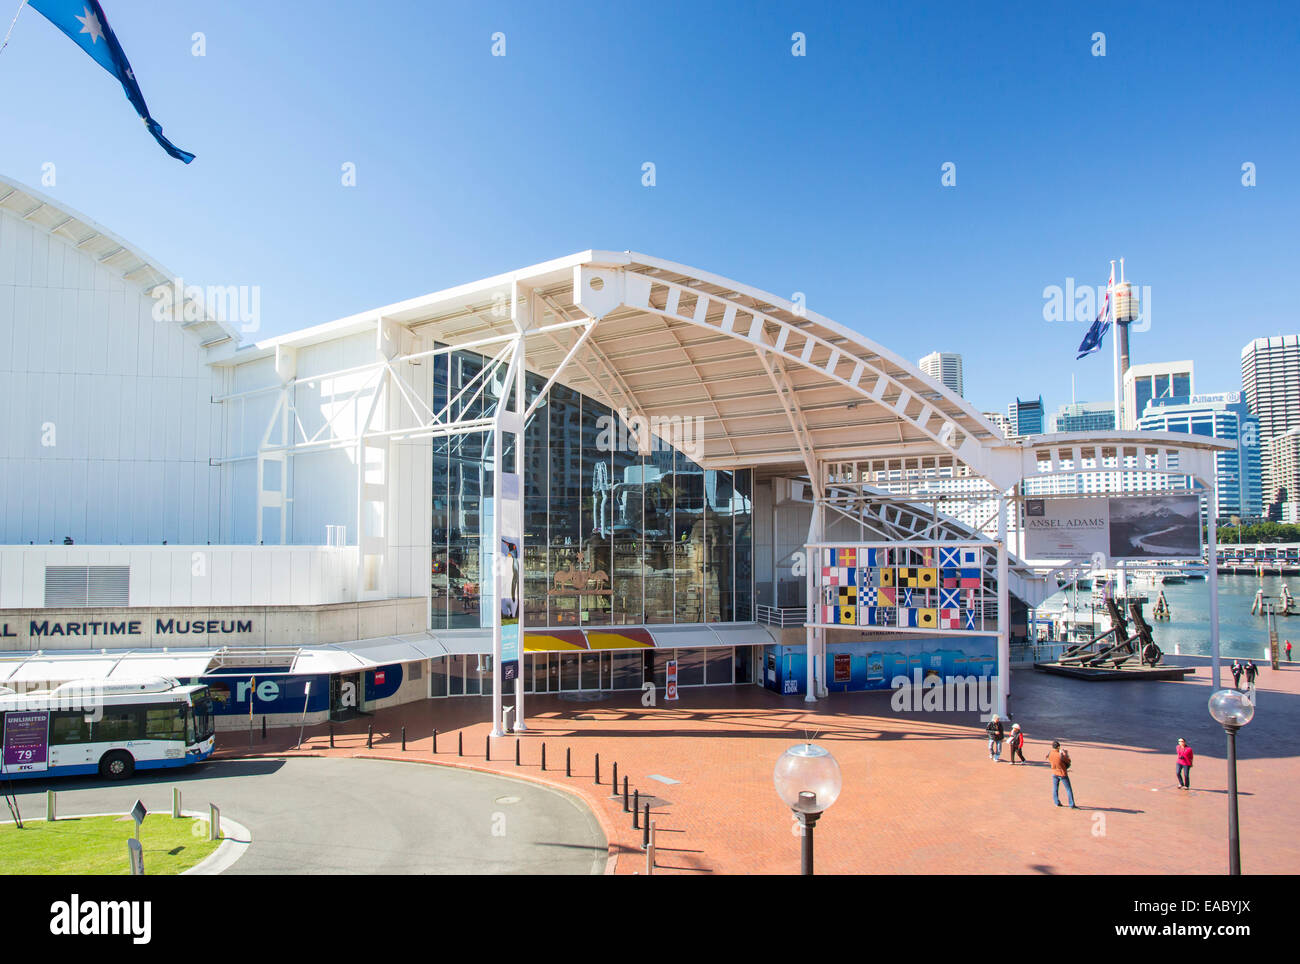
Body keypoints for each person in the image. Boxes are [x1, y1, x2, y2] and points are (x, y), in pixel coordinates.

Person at [1047, 740, 1077, 807]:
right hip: (1062, 773)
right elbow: (1069, 761)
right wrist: (1066, 754)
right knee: (1068, 789)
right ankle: (1071, 804)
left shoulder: (1050, 753)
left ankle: (1056, 802)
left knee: (1055, 788)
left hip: (1054, 772)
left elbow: (1049, 759)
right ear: (1058, 747)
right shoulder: (1060, 755)